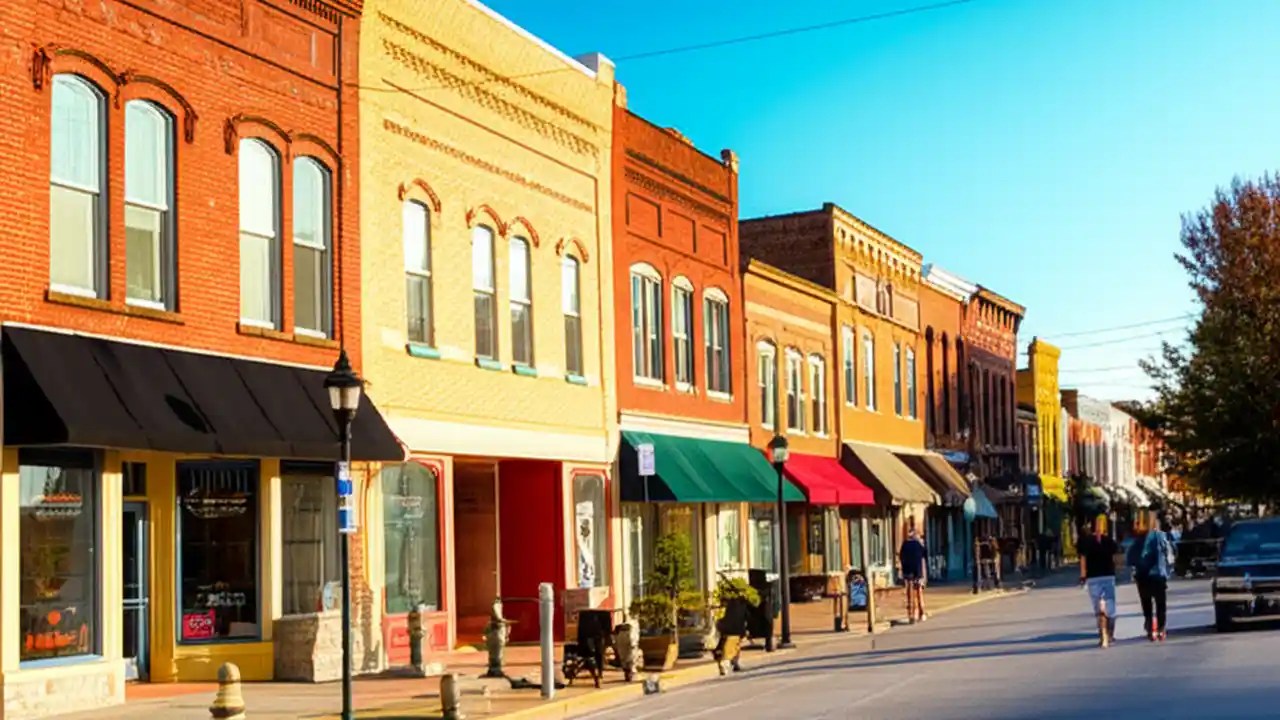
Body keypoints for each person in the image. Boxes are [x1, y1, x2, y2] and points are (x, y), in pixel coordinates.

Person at [1078, 518, 1119, 648]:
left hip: (1093, 578)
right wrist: (1115, 570)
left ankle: (1102, 634)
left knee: (1098, 607)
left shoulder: (1086, 542)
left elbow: (1083, 560)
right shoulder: (1110, 542)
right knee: (1110, 607)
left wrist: (1083, 576)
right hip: (1108, 576)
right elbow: (1115, 558)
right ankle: (1110, 634)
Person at [1134, 517, 1177, 641]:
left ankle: (1149, 626)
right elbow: (1171, 554)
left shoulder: (1139, 539)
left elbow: (1130, 556)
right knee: (1160, 604)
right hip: (1159, 574)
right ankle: (1161, 629)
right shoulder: (1162, 537)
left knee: (1146, 603)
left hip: (1142, 575)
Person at [899, 516, 928, 623]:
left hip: (908, 572)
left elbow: (901, 557)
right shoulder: (918, 544)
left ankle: (911, 614)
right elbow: (924, 555)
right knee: (919, 592)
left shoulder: (905, 544)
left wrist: (903, 568)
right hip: (918, 572)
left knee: (909, 593)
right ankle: (921, 612)